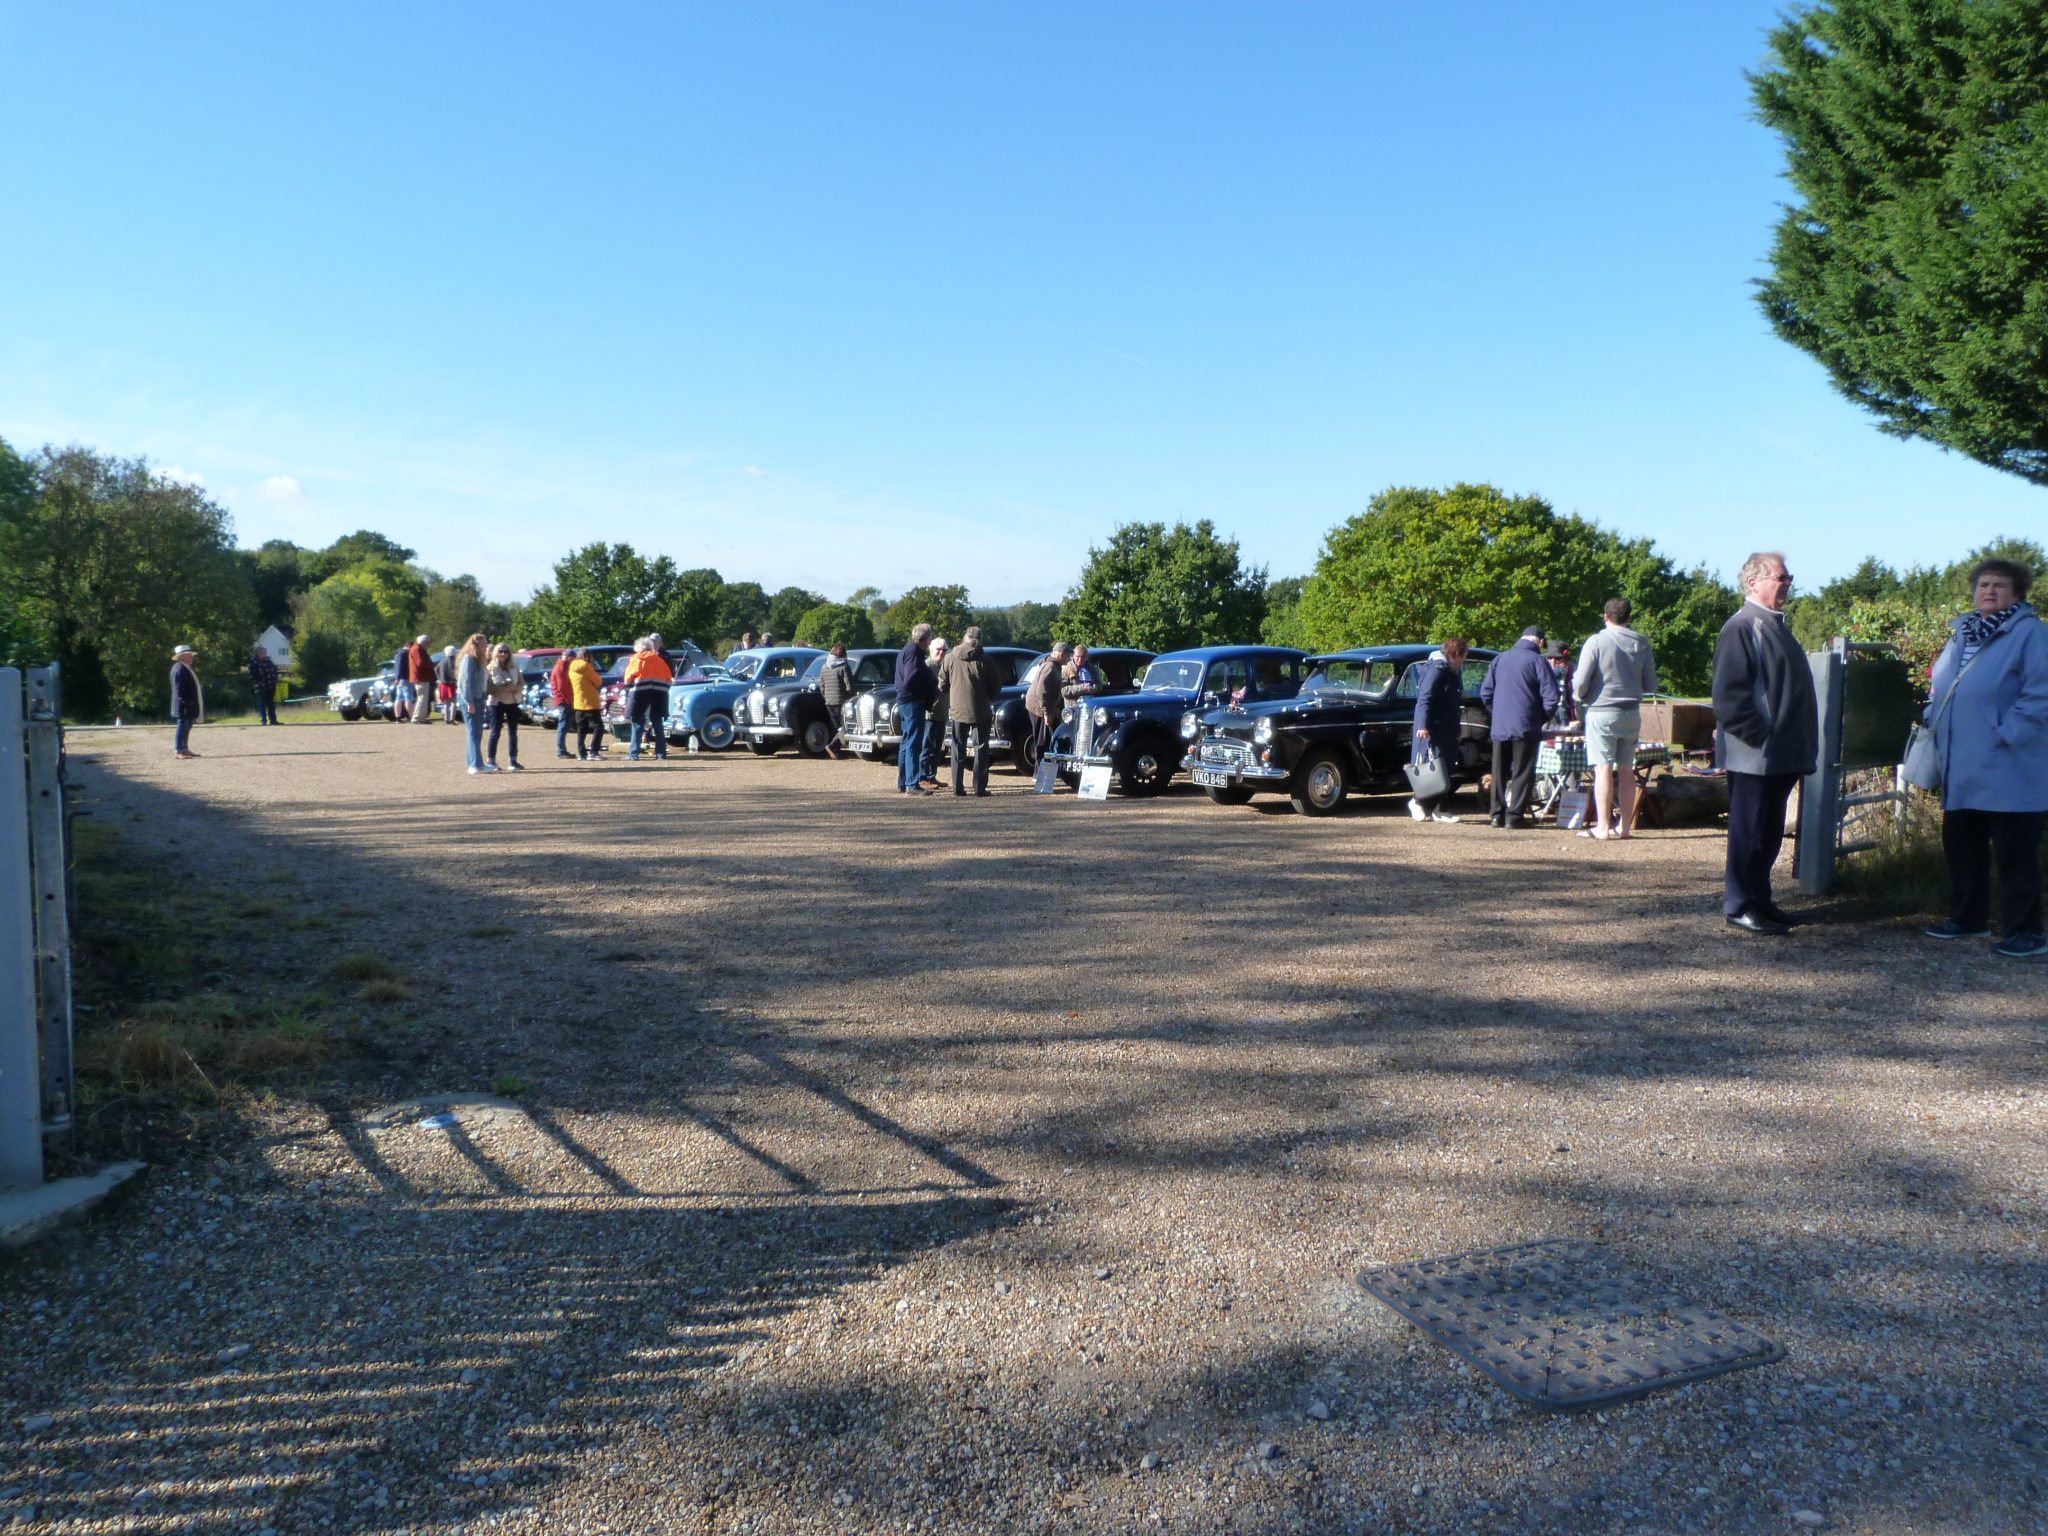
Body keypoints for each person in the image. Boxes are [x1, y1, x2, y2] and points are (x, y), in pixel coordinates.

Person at [1922, 557, 2048, 958]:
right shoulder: (1961, 633)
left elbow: (2040, 693)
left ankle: (2026, 931)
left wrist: (2007, 733)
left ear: (2017, 593)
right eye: (1983, 585)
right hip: (1963, 761)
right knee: (1962, 844)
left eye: (2000, 585)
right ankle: (1968, 917)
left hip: (2011, 763)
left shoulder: (2031, 634)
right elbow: (1941, 686)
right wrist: (1932, 717)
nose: (1989, 591)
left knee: (2014, 852)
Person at [1711, 551, 1818, 936]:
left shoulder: (1776, 626)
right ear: (1753, 582)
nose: (1787, 583)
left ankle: (1761, 900)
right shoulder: (1742, 626)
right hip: (1756, 756)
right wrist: (1763, 737)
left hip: (1780, 755)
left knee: (1768, 833)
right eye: (1780, 577)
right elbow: (1729, 697)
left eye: (1789, 577)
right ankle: (1739, 905)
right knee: (1749, 833)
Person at [1574, 599, 1660, 840]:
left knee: (1602, 768)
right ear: (1628, 617)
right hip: (1631, 713)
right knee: (1626, 770)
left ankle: (1602, 827)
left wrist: (1578, 696)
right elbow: (1651, 685)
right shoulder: (1642, 643)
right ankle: (1623, 827)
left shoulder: (1596, 641)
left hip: (1602, 712)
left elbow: (1580, 681)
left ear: (1605, 616)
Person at [1479, 626, 1558, 827]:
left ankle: (1497, 814)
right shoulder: (1538, 661)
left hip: (1500, 725)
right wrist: (1539, 718)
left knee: (1499, 771)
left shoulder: (1500, 659)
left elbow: (1485, 693)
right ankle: (1514, 816)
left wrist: (1496, 714)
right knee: (1522, 771)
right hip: (1525, 726)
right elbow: (1552, 697)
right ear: (1540, 642)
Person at [1407, 638, 1469, 824]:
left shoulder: (1450, 671)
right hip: (1435, 728)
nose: (1464, 660)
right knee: (1433, 769)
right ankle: (1418, 802)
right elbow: (1424, 698)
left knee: (1446, 769)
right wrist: (1422, 726)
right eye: (1464, 656)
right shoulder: (1437, 670)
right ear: (1455, 655)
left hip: (1447, 727)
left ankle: (1441, 809)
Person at [938, 625, 996, 797]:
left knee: (957, 748)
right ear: (980, 639)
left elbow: (942, 684)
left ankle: (957, 787)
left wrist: (954, 693)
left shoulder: (949, 658)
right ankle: (979, 788)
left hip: (957, 710)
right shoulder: (986, 660)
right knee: (981, 749)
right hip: (981, 710)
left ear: (964, 637)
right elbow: (995, 687)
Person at [894, 623, 937, 794]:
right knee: (913, 743)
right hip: (912, 702)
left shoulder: (906, 650)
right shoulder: (914, 653)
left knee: (906, 742)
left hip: (904, 700)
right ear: (926, 639)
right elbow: (910, 679)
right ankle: (912, 783)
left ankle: (903, 782)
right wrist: (923, 695)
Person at [624, 635, 674, 761]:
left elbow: (627, 679)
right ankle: (661, 754)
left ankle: (633, 754)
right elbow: (669, 679)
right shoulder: (660, 660)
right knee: (658, 724)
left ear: (639, 649)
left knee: (637, 723)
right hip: (659, 694)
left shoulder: (636, 660)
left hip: (640, 693)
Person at [1024, 642, 1071, 767]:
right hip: (1039, 707)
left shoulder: (1052, 666)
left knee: (1044, 740)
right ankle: (1040, 774)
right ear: (1061, 654)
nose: (1070, 658)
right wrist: (1046, 712)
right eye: (1068, 655)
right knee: (1042, 741)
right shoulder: (1050, 667)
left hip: (1042, 706)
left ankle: (1041, 772)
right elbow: (1042, 691)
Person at [483, 643, 525, 771]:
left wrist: (512, 688)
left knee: (513, 732)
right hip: (497, 703)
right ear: (496, 652)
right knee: (495, 731)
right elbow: (493, 688)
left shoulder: (514, 667)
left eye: (506, 651)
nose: (503, 654)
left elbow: (521, 683)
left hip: (512, 701)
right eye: (500, 651)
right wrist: (510, 688)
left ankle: (513, 760)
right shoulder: (490, 668)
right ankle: (491, 760)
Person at [457, 633, 492, 773]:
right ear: (475, 645)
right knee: (473, 731)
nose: (486, 646)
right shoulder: (469, 659)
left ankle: (472, 761)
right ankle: (476, 765)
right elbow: (464, 682)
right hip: (470, 699)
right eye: (484, 644)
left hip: (478, 698)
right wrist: (469, 702)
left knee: (476, 731)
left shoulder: (479, 661)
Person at [816, 643, 855, 759]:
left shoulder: (824, 666)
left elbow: (822, 686)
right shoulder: (843, 666)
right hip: (841, 700)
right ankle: (832, 746)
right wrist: (851, 697)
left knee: (836, 728)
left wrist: (826, 697)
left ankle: (836, 751)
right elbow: (849, 686)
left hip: (829, 701)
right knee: (845, 727)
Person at [919, 636, 949, 786]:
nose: (941, 652)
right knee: (926, 746)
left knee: (937, 748)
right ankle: (922, 777)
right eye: (938, 649)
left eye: (944, 650)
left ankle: (932, 775)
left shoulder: (946, 666)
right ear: (931, 650)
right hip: (929, 713)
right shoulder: (926, 666)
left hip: (943, 712)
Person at [567, 646, 605, 760]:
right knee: (599, 727)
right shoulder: (587, 666)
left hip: (578, 702)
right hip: (590, 702)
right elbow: (598, 682)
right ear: (588, 656)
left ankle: (581, 753)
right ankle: (593, 751)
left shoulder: (571, 667)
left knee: (581, 729)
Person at [169, 644, 203, 759]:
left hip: (188, 704)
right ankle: (179, 750)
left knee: (187, 727)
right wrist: (187, 702)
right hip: (183, 705)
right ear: (182, 657)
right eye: (189, 656)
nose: (191, 658)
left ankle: (185, 749)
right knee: (182, 726)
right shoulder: (179, 669)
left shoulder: (184, 668)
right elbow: (179, 690)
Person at [405, 634, 437, 726]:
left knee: (423, 698)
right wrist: (432, 664)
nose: (428, 645)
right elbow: (420, 663)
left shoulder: (416, 648)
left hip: (420, 677)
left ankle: (422, 718)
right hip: (420, 677)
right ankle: (417, 718)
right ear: (424, 642)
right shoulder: (417, 649)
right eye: (428, 643)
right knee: (422, 698)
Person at [1544, 642, 1577, 727]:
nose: (1553, 662)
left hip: (1564, 710)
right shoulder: (1543, 669)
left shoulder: (1572, 670)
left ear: (1565, 659)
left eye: (1557, 659)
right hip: (1546, 711)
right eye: (1549, 658)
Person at [549, 650, 575, 758]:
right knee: (563, 725)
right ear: (569, 657)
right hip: (563, 700)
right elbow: (561, 687)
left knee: (564, 725)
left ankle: (562, 749)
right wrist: (569, 700)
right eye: (573, 658)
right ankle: (561, 750)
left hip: (563, 699)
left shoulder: (562, 666)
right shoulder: (561, 667)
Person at [247, 644, 279, 726]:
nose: (265, 654)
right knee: (262, 704)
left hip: (271, 686)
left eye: (265, 652)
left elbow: (274, 670)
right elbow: (251, 675)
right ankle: (263, 721)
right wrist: (259, 682)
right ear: (258, 653)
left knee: (271, 704)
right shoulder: (253, 662)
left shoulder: (268, 660)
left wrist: (275, 680)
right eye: (263, 652)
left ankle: (273, 720)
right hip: (260, 687)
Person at [437, 645, 458, 723]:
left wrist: (440, 678)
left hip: (443, 684)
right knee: (454, 702)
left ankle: (446, 719)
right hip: (453, 684)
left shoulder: (441, 661)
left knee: (446, 702)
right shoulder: (456, 661)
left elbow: (436, 669)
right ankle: (452, 719)